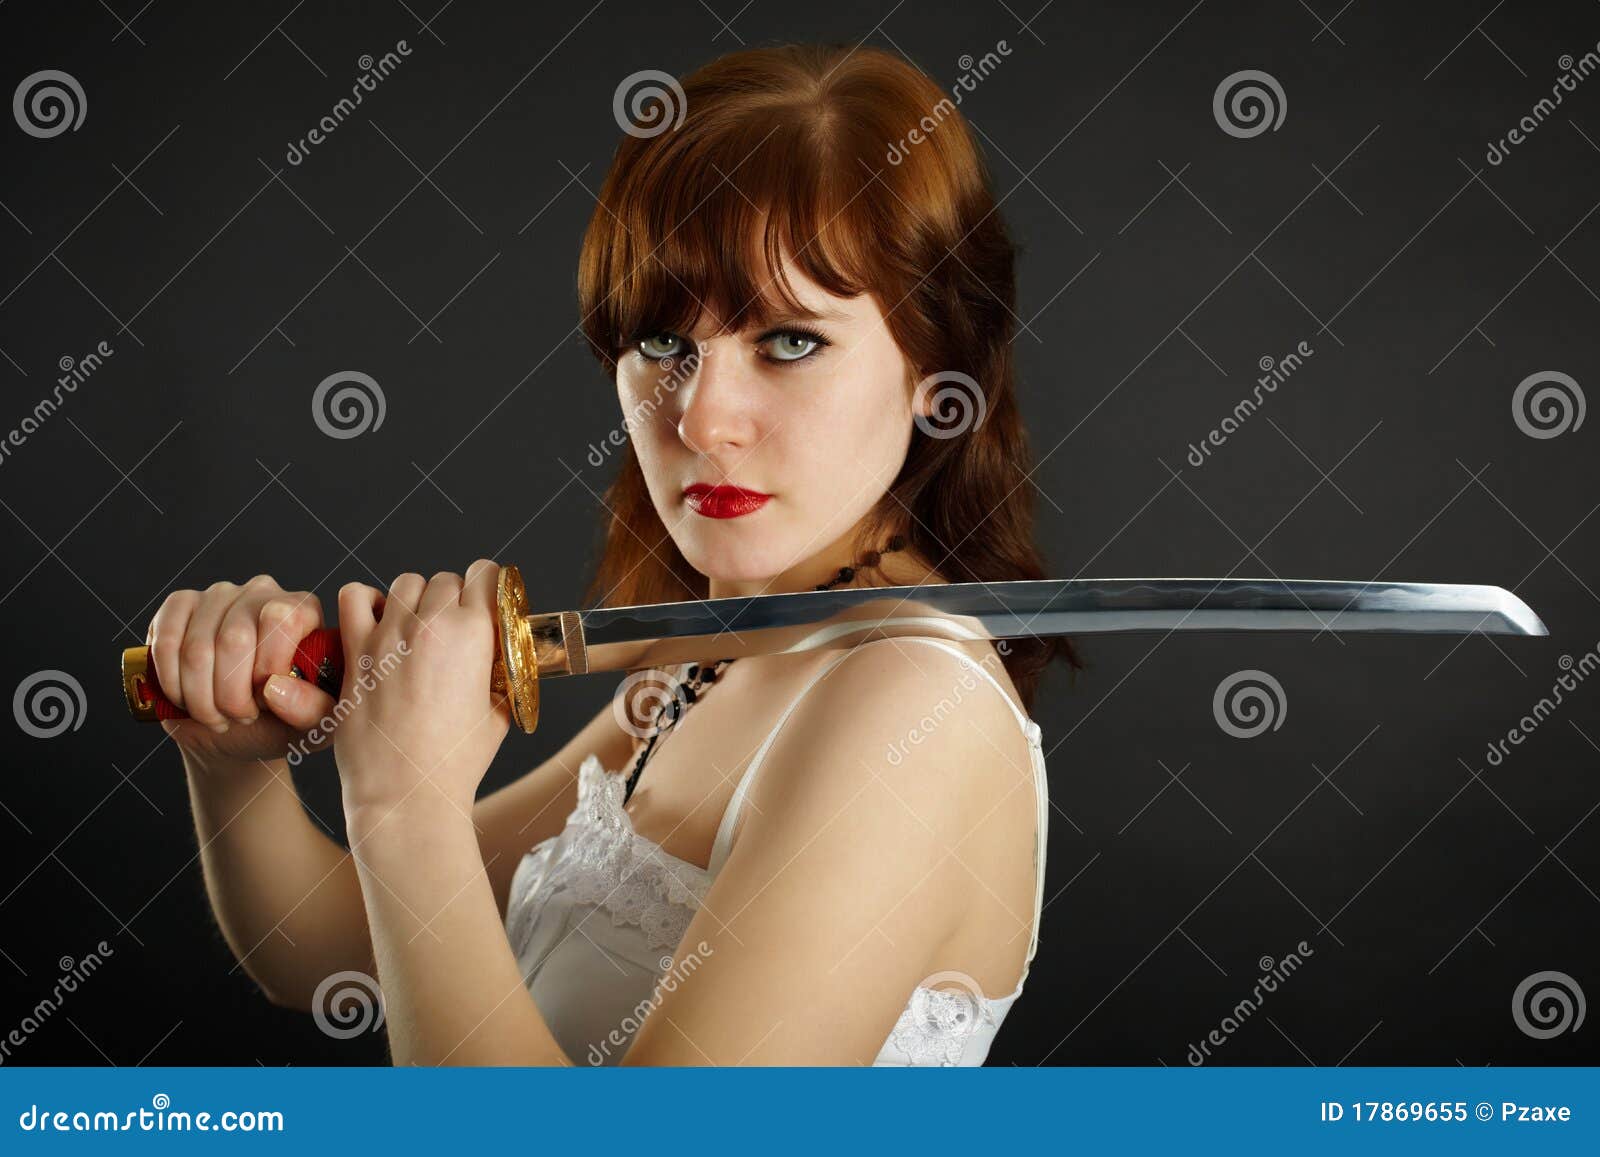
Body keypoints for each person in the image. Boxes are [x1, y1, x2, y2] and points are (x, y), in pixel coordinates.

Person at [149, 42, 1082, 1066]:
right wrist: (230, 759)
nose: (704, 416)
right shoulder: (704, 655)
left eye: (789, 342)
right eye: (664, 344)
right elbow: (327, 949)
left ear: (933, 366)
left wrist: (404, 801)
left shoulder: (910, 697)